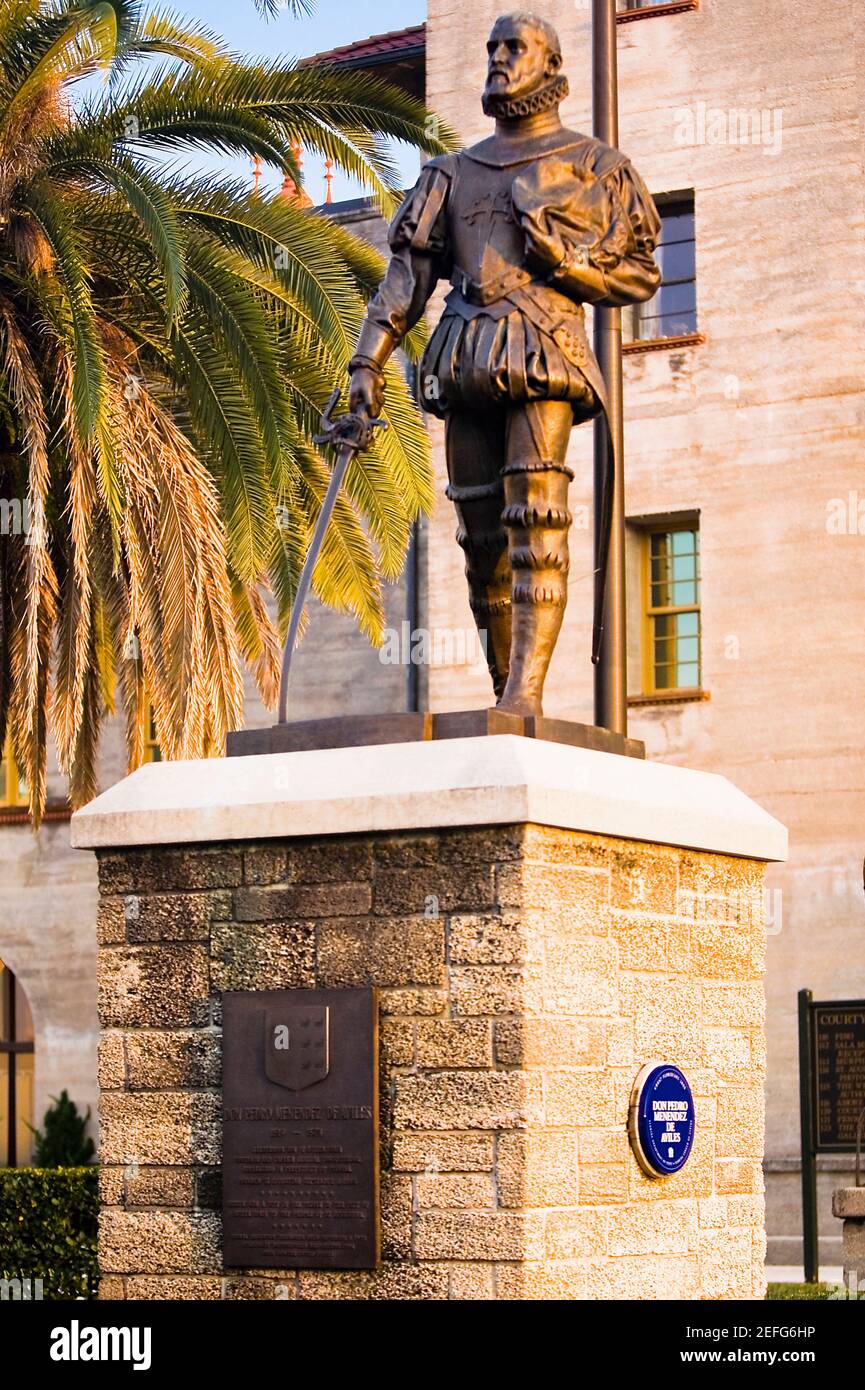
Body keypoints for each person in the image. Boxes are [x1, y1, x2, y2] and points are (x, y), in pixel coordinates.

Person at [349, 11, 660, 716]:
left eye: (513, 48)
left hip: (542, 352)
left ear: (549, 67)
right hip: (463, 355)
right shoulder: (448, 173)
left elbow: (638, 274)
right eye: (491, 48)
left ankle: (525, 693)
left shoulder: (593, 167)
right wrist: (365, 367)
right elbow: (402, 280)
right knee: (479, 534)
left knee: (536, 521)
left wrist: (566, 262)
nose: (497, 59)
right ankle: (501, 692)